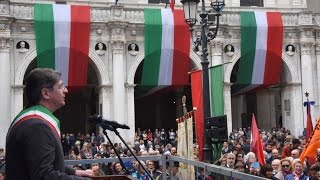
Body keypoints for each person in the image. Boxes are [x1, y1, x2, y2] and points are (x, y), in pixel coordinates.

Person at [5, 68, 92, 179]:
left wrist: (74, 172)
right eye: (60, 87)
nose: (66, 90)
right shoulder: (37, 126)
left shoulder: (32, 121)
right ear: (46, 93)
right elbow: (44, 175)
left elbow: (38, 162)